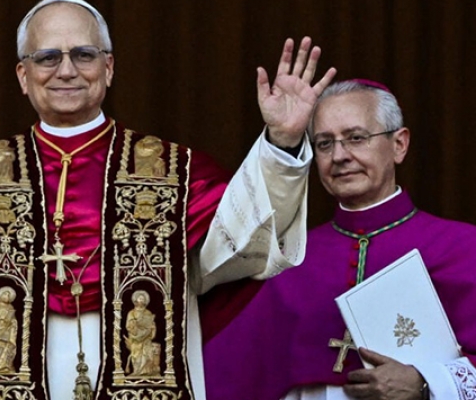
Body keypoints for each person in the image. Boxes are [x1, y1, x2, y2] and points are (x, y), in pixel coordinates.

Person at [0, 0, 335, 400]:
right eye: (48, 57)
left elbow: (243, 235)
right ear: (22, 75)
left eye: (83, 54)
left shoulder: (174, 172)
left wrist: (281, 143)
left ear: (109, 66)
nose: (66, 70)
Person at [202, 79, 476, 400]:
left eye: (356, 138)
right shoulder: (289, 258)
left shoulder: (463, 247)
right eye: (324, 144)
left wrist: (426, 382)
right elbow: (227, 373)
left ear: (399, 144)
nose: (340, 155)